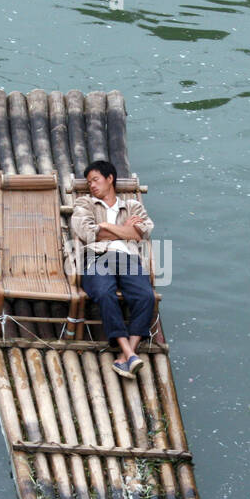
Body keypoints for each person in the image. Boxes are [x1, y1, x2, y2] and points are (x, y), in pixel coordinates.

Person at [69, 159, 156, 379]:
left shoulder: (132, 206)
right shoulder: (84, 204)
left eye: (96, 180)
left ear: (110, 179)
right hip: (97, 257)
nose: (92, 185)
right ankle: (128, 352)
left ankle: (128, 355)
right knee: (104, 293)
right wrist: (124, 230)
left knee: (146, 295)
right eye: (89, 183)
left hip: (127, 258)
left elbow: (142, 232)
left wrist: (106, 227)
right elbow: (86, 232)